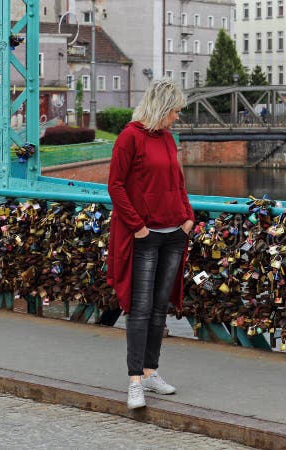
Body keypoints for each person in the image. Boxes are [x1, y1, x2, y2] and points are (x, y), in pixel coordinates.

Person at [107, 78, 195, 410]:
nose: (176, 118)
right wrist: (138, 227)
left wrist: (188, 217)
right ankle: (134, 383)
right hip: (145, 235)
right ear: (161, 107)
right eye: (174, 111)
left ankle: (150, 372)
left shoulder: (169, 139)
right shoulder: (130, 138)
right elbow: (115, 186)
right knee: (139, 310)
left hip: (174, 233)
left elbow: (178, 182)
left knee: (160, 309)